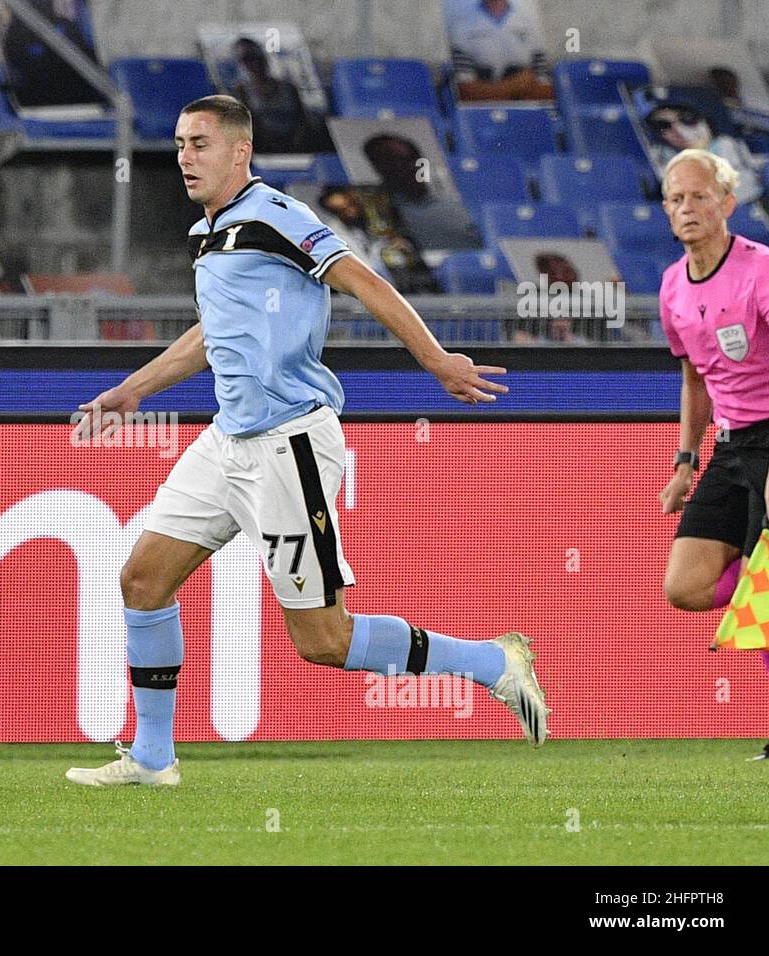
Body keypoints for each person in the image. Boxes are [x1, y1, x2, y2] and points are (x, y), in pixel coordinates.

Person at [65, 95, 548, 786]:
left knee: (323, 640)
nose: (184, 157)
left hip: (287, 442)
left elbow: (364, 279)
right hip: (228, 440)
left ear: (240, 151)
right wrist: (135, 388)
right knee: (142, 579)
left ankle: (493, 664)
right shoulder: (214, 231)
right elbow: (214, 336)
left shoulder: (277, 217)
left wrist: (437, 359)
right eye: (178, 144)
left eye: (199, 143)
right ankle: (151, 757)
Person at [656, 149, 769, 760]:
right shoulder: (673, 284)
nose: (687, 208)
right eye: (676, 199)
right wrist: (685, 460)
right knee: (685, 586)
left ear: (728, 203)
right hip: (730, 445)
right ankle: (761, 584)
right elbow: (695, 379)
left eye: (700, 196)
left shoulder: (762, 270)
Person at [361, 133, 480, 250]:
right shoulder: (379, 214)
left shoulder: (457, 201)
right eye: (390, 162)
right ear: (378, 168)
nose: (403, 168)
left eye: (407, 159)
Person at [229, 37, 328, 153]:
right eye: (248, 59)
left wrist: (296, 142)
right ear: (241, 63)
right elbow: (247, 125)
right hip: (263, 148)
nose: (255, 62)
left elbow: (303, 120)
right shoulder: (241, 91)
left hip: (296, 146)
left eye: (258, 57)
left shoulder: (288, 88)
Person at [444, 0, 553, 102]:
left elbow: (545, 90)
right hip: (481, 117)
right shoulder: (461, 29)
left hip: (527, 116)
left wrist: (492, 91)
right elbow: (464, 93)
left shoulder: (530, 27)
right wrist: (515, 85)